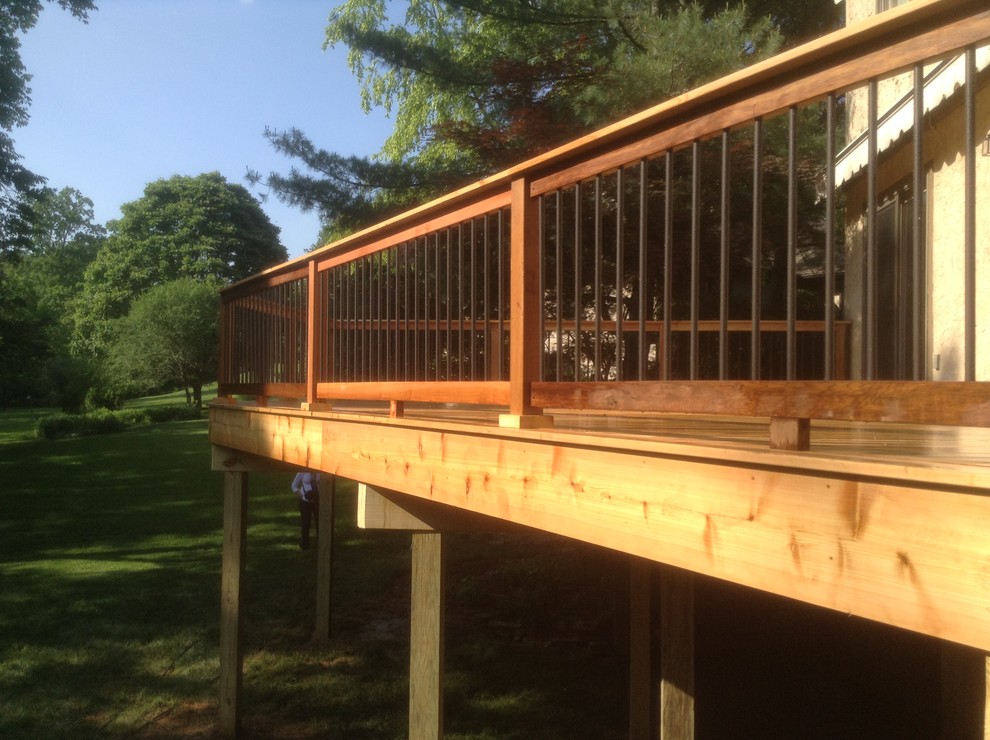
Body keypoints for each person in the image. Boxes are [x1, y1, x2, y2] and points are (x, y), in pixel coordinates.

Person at [291, 471, 321, 549]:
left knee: (320, 522)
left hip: (318, 501)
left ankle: (321, 543)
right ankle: (305, 544)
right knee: (306, 523)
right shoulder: (302, 471)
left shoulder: (320, 471)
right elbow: (294, 486)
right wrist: (302, 495)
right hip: (305, 502)